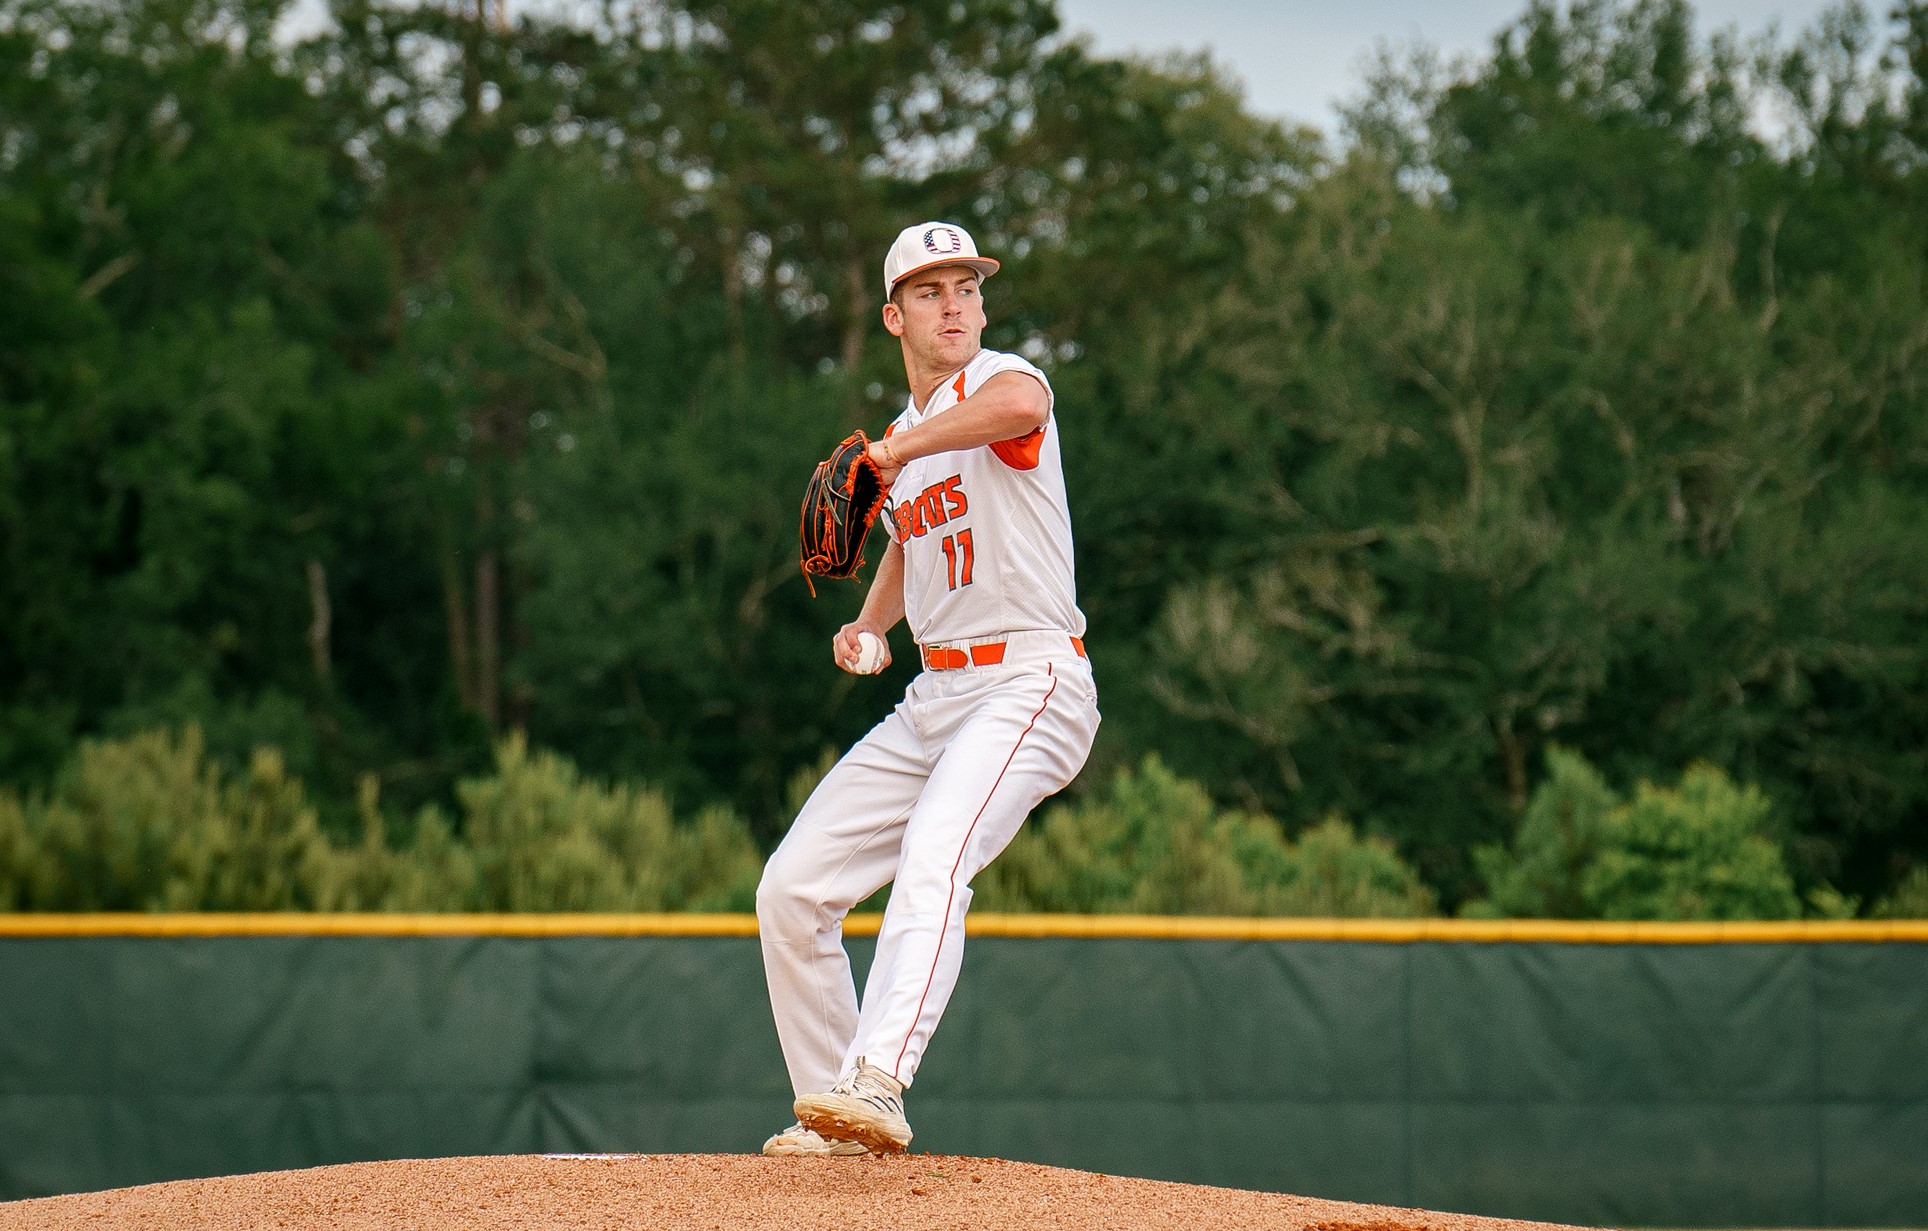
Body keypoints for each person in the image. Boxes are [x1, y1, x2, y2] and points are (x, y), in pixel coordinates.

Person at [758, 221, 1100, 1157]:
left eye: (967, 287)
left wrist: (894, 452)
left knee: (935, 850)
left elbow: (1020, 408)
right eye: (929, 290)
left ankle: (880, 1077)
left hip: (1031, 679)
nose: (954, 304)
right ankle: (836, 1113)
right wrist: (872, 625)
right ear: (893, 316)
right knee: (792, 890)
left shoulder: (1002, 382)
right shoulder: (906, 440)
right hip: (936, 698)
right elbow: (910, 544)